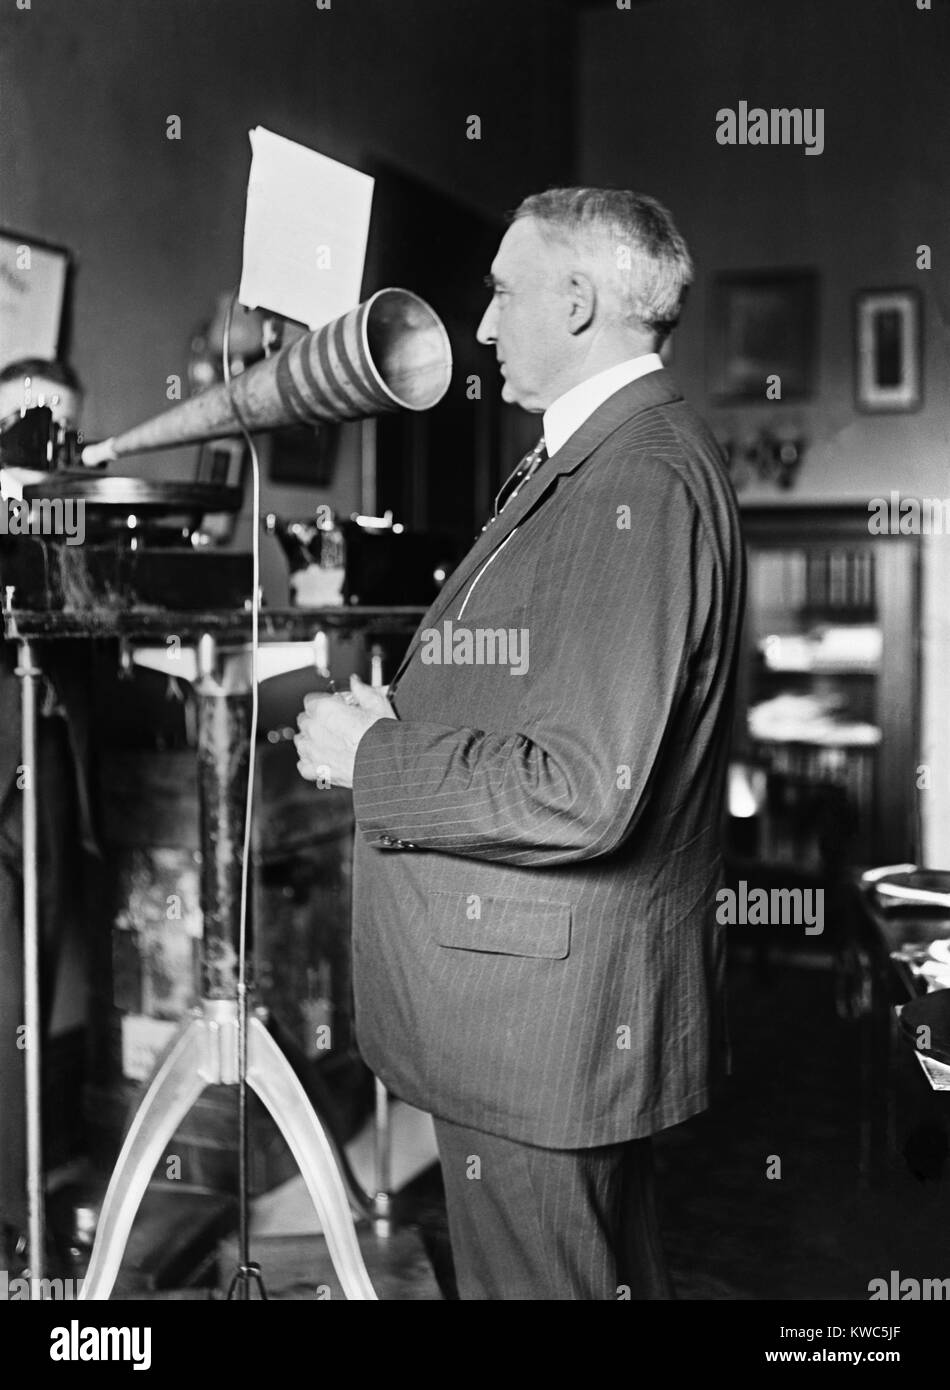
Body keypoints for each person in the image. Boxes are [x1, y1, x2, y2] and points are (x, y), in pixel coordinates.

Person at [295, 188, 746, 1300]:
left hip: (542, 1028)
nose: (484, 326)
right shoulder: (604, 459)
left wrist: (374, 759)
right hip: (550, 1013)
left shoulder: (633, 478)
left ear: (579, 300)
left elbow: (588, 789)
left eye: (501, 290)